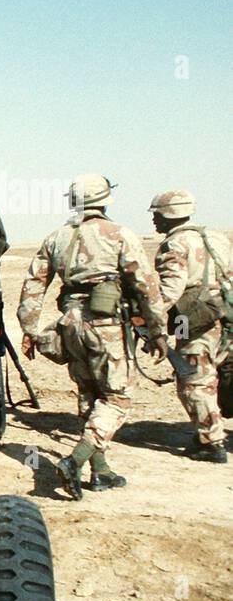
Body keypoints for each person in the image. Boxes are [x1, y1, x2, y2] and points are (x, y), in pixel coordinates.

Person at [17, 173, 169, 499]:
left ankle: (100, 471)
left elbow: (33, 286)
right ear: (104, 200)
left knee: (89, 394)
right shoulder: (120, 235)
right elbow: (146, 286)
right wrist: (157, 329)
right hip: (107, 326)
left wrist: (29, 330)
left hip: (70, 325)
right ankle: (75, 460)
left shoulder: (56, 238)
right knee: (117, 398)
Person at [150, 190, 232, 463]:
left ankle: (211, 442)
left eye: (156, 215)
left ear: (168, 215)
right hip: (226, 315)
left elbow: (170, 290)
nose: (154, 221)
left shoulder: (174, 245)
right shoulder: (216, 238)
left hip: (193, 321)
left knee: (195, 380)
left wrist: (149, 318)